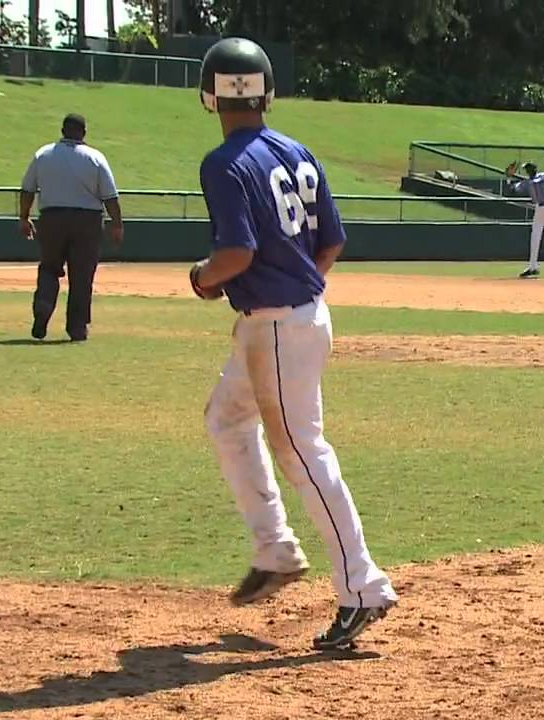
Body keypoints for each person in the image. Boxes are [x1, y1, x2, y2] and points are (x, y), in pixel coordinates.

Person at [188, 37, 397, 652]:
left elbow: (236, 253)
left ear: (209, 97)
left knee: (304, 455)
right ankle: (275, 548)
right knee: (227, 420)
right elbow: (331, 242)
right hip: (294, 318)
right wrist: (298, 288)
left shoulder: (223, 163)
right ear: (268, 94)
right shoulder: (297, 152)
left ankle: (362, 587)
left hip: (278, 326)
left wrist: (202, 278)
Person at [19, 114, 123, 342]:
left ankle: (43, 306)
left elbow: (27, 189)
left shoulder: (43, 154)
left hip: (52, 218)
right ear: (83, 132)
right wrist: (117, 224)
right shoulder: (95, 157)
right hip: (87, 222)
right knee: (82, 276)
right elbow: (110, 196)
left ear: (62, 130)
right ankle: (77, 327)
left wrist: (24, 217)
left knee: (49, 268)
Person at [504, 160, 544, 278]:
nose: (526, 172)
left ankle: (533, 267)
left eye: (527, 170)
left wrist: (508, 177)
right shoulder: (543, 176)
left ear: (529, 171)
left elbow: (512, 190)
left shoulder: (528, 182)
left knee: (535, 238)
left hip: (541, 209)